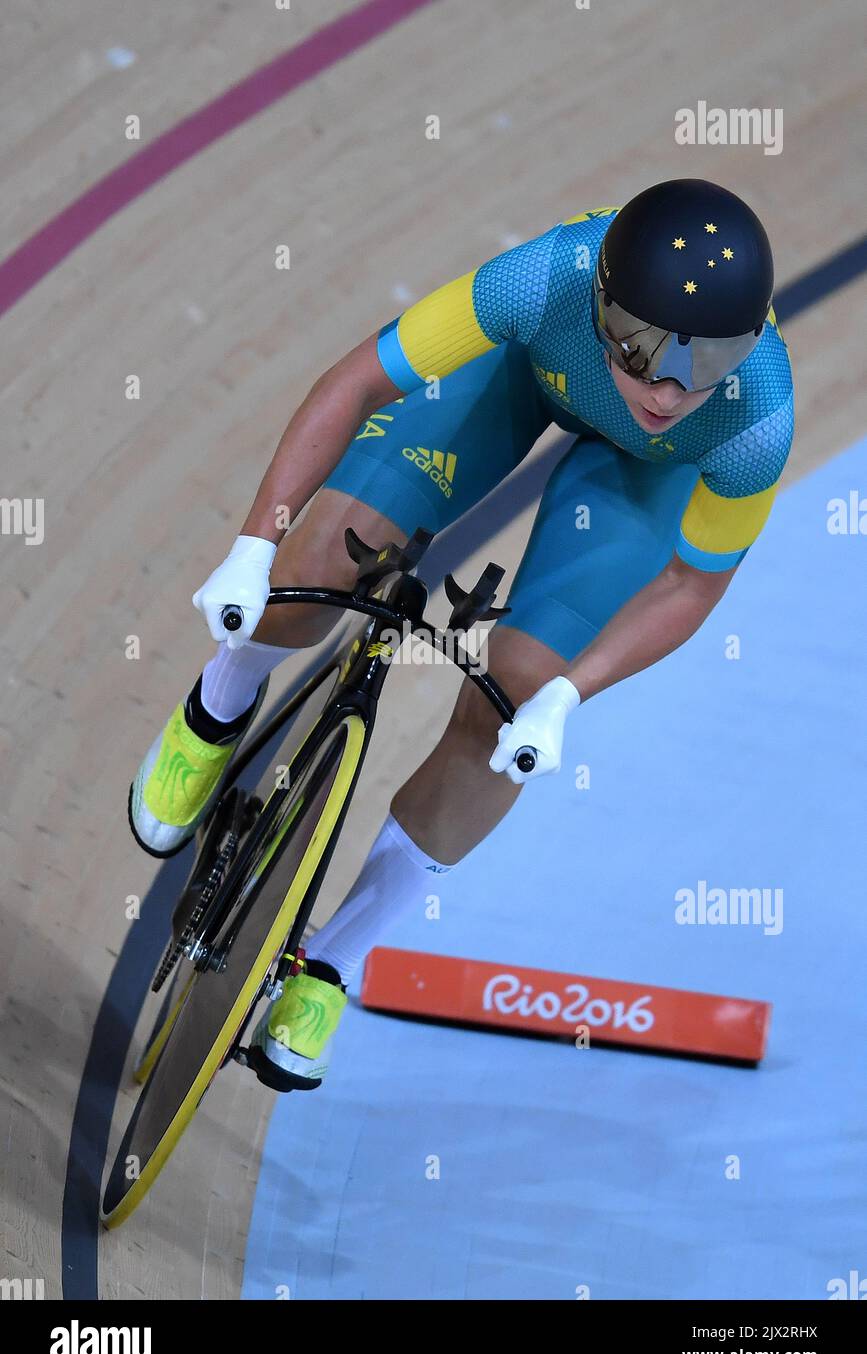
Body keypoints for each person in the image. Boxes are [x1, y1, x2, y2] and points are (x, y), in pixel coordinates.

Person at [129, 178, 794, 1092]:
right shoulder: (541, 282)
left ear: (749, 343)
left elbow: (689, 583)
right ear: (602, 304)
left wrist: (565, 697)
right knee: (320, 568)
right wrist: (253, 546)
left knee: (509, 708)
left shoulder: (754, 416)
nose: (671, 388)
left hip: (644, 480)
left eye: (708, 361)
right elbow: (359, 379)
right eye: (643, 351)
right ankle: (218, 705)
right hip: (520, 375)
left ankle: (328, 964)